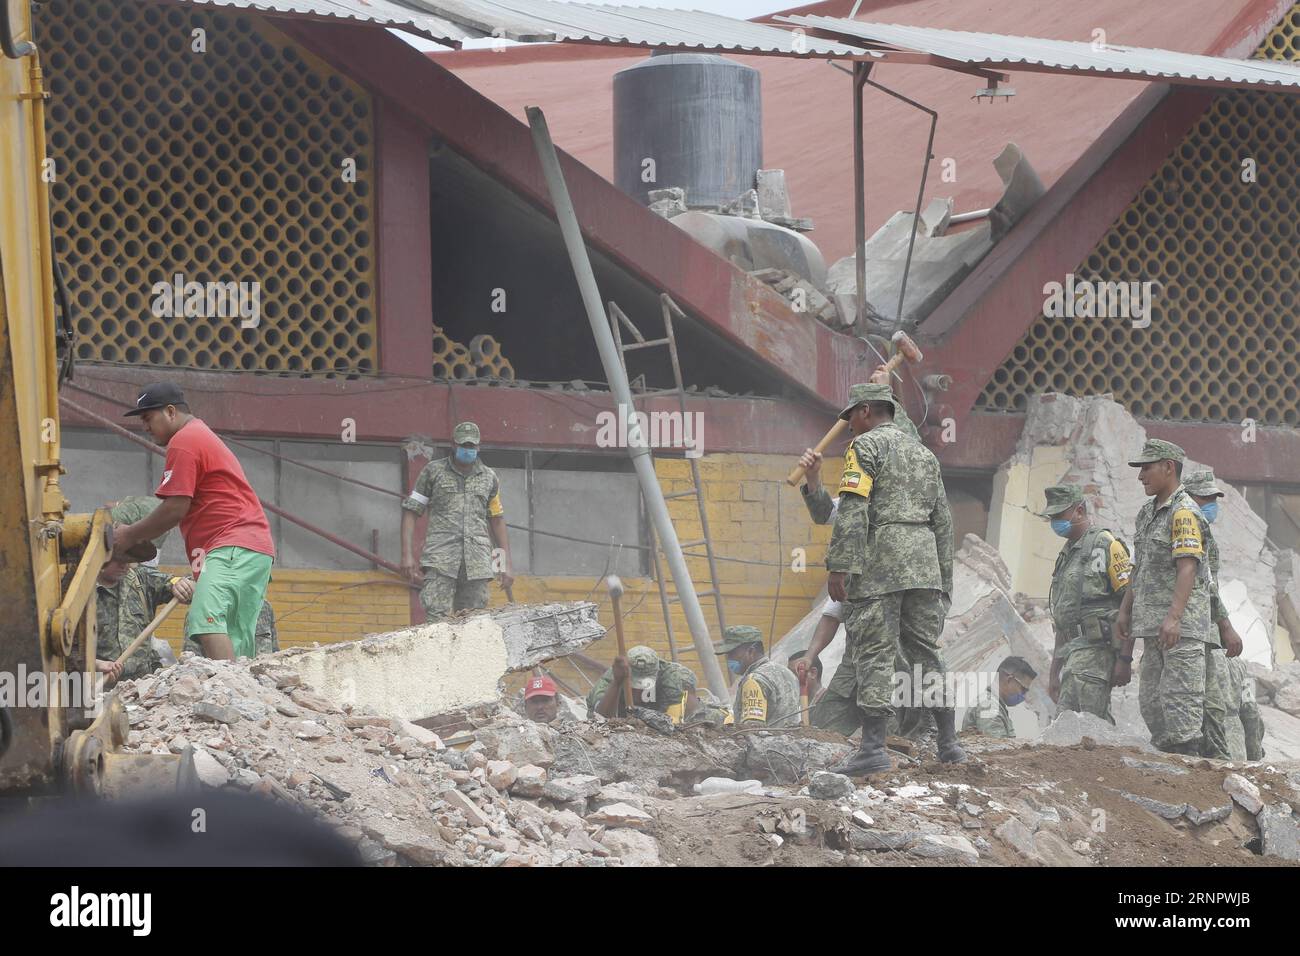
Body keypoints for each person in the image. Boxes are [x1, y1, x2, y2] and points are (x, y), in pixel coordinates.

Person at [791, 382, 962, 774]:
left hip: (880, 563)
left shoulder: (864, 448)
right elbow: (943, 521)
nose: (849, 424)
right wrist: (943, 580)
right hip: (923, 565)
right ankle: (950, 743)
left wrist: (841, 564)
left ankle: (872, 747)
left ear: (867, 410)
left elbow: (852, 508)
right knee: (927, 653)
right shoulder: (924, 455)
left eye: (851, 415)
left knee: (874, 651)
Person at [113, 383, 275, 662]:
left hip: (232, 545)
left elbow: (175, 508)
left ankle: (227, 692)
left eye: (147, 418)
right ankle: (240, 694)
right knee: (234, 637)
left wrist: (128, 535)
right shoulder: (199, 435)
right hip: (251, 549)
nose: (145, 427)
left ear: (171, 411)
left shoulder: (185, 441)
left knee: (204, 616)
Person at [1116, 440, 1214, 756]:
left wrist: (1174, 617)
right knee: (1152, 703)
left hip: (1179, 630)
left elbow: (1187, 568)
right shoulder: (1147, 514)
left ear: (1168, 467)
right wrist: (1125, 611)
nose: (1141, 476)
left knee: (1181, 705)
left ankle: (1191, 782)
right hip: (1154, 628)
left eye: (1147, 467)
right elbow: (1139, 567)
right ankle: (1167, 777)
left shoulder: (1183, 512)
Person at [400, 421, 514, 620]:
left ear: (478, 447)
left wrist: (504, 565)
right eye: (464, 445)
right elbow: (411, 512)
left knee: (473, 622)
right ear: (454, 445)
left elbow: (496, 520)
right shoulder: (433, 472)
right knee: (437, 619)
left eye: (472, 446)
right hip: (441, 559)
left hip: (477, 563)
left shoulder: (489, 477)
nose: (468, 449)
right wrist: (406, 555)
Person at [1040, 484, 1132, 724]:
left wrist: (1125, 659)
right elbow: (1065, 616)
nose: (1055, 522)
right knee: (1067, 726)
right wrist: (1053, 672)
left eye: (1059, 515)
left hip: (1096, 652)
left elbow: (1131, 603)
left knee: (1091, 726)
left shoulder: (1106, 544)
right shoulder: (1067, 553)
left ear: (1079, 511)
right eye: (1052, 517)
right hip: (1072, 653)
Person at [1183, 469, 1246, 759]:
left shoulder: (1205, 534)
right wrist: (1226, 626)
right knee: (1200, 705)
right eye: (1205, 498)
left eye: (1213, 498)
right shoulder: (1185, 529)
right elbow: (1204, 585)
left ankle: (1219, 765)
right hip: (1190, 631)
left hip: (1205, 632)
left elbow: (1210, 587)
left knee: (1214, 705)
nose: (1211, 505)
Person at [713, 625, 801, 728]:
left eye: (732, 653)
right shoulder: (786, 672)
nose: (728, 658)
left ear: (751, 651)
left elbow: (752, 729)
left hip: (767, 743)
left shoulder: (754, 680)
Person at [587, 645, 688, 720]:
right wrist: (616, 684)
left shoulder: (669, 680)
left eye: (645, 686)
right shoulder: (609, 681)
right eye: (634, 687)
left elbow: (675, 722)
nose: (639, 693)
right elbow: (601, 717)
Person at [962, 656, 1037, 738]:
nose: (1024, 695)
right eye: (1023, 689)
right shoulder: (989, 706)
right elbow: (997, 748)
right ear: (1009, 680)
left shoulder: (992, 703)